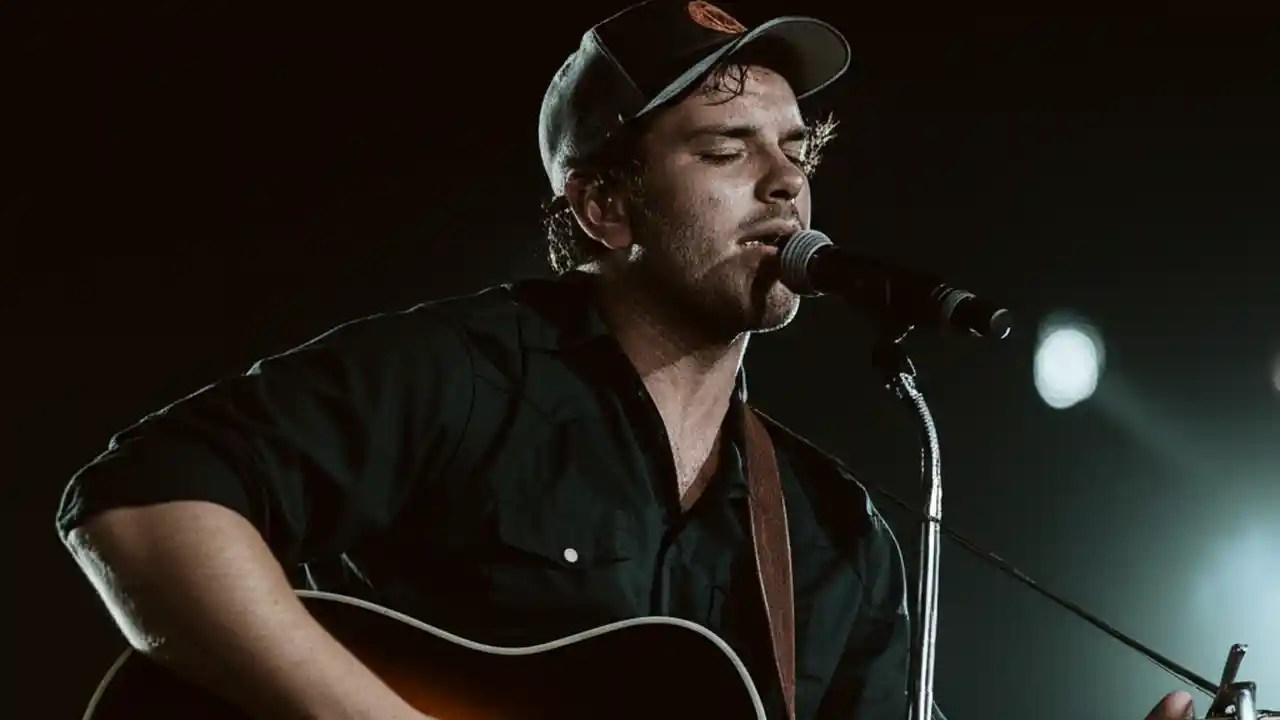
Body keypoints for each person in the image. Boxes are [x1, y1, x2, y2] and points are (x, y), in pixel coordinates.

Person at [55, 2, 1199, 719]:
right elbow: (135, 507)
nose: (786, 182)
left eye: (796, 151)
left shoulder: (833, 534)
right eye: (724, 148)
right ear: (604, 206)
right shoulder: (468, 372)